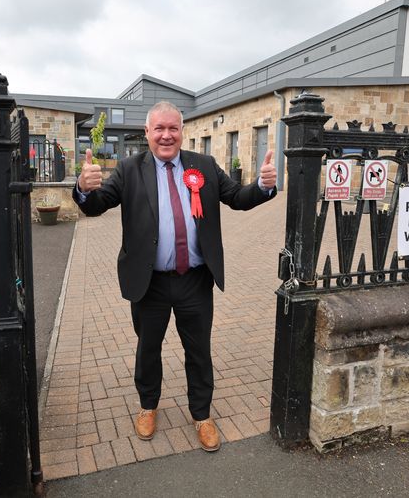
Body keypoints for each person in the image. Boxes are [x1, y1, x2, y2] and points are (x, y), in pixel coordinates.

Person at [73, 101, 277, 452]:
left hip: (195, 280)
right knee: (147, 349)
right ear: (148, 133)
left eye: (173, 128)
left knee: (199, 351)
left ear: (182, 132)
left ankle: (202, 414)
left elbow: (237, 198)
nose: (166, 135)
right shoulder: (129, 169)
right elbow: (97, 205)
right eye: (159, 129)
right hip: (149, 282)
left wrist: (261, 185)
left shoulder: (205, 166)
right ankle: (148, 406)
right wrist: (83, 187)